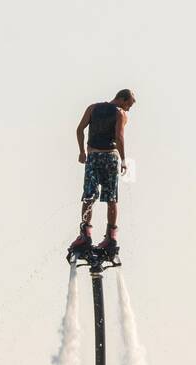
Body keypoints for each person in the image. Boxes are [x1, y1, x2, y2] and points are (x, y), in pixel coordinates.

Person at [67, 89, 136, 260]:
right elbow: (119, 138)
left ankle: (85, 235)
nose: (128, 110)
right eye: (129, 105)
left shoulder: (92, 108)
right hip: (110, 158)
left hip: (93, 157)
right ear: (122, 99)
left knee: (89, 196)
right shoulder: (120, 114)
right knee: (111, 198)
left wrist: (82, 152)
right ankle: (111, 238)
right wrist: (123, 160)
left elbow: (79, 129)